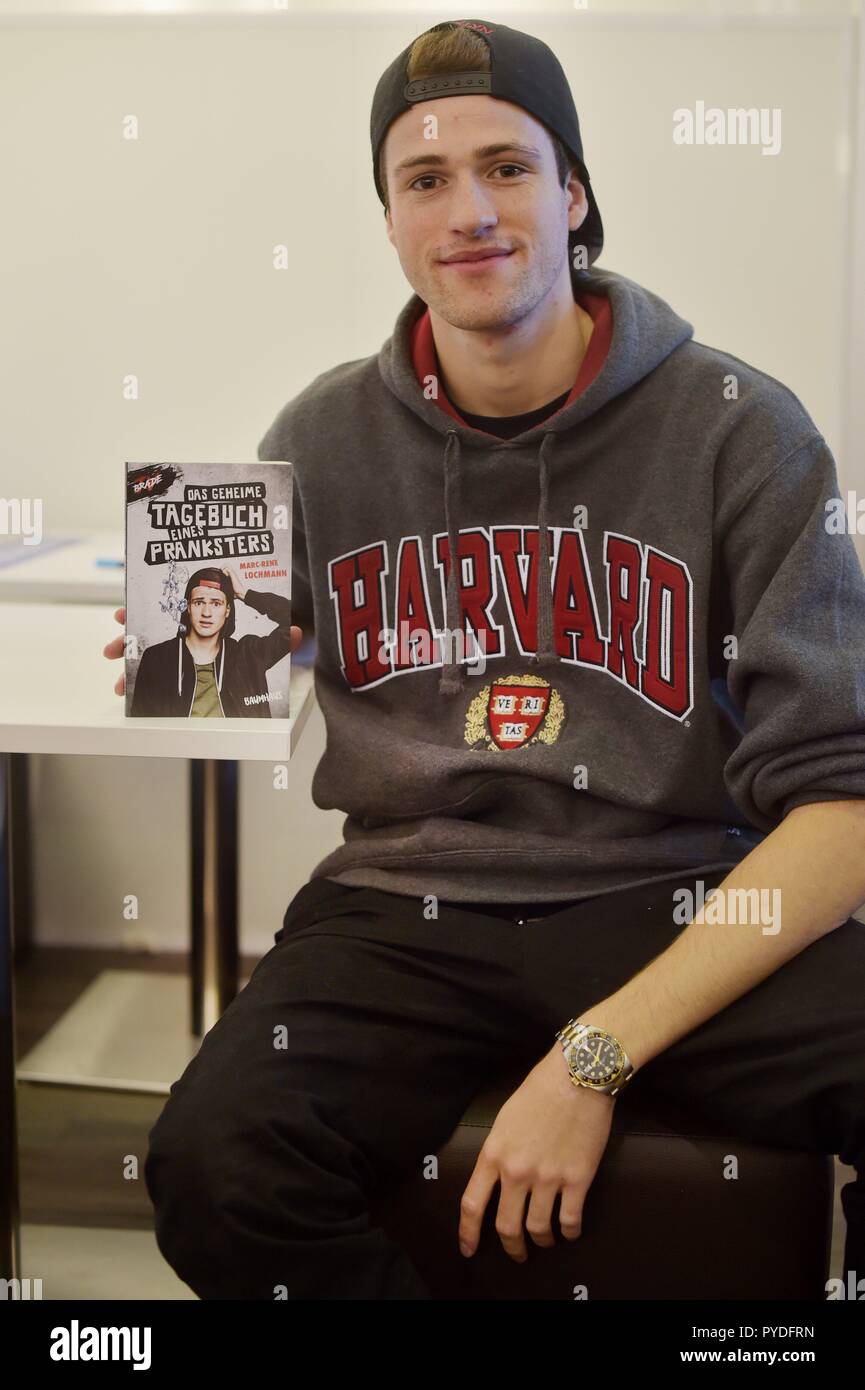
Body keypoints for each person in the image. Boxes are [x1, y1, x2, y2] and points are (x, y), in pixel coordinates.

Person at [104, 18, 865, 1300]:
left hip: (672, 891)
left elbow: (843, 806)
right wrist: (221, 643)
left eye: (507, 167)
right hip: (405, 907)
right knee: (214, 1165)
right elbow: (266, 647)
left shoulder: (741, 431)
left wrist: (592, 1059)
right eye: (424, 178)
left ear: (573, 194)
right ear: (390, 222)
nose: (469, 209)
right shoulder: (321, 433)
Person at [127, 564, 292, 718]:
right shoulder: (157, 658)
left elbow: (295, 620)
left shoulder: (249, 655)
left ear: (227, 610)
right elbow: (141, 726)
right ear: (188, 607)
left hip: (241, 748)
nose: (207, 612)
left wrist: (244, 594)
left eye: (216, 603)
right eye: (199, 602)